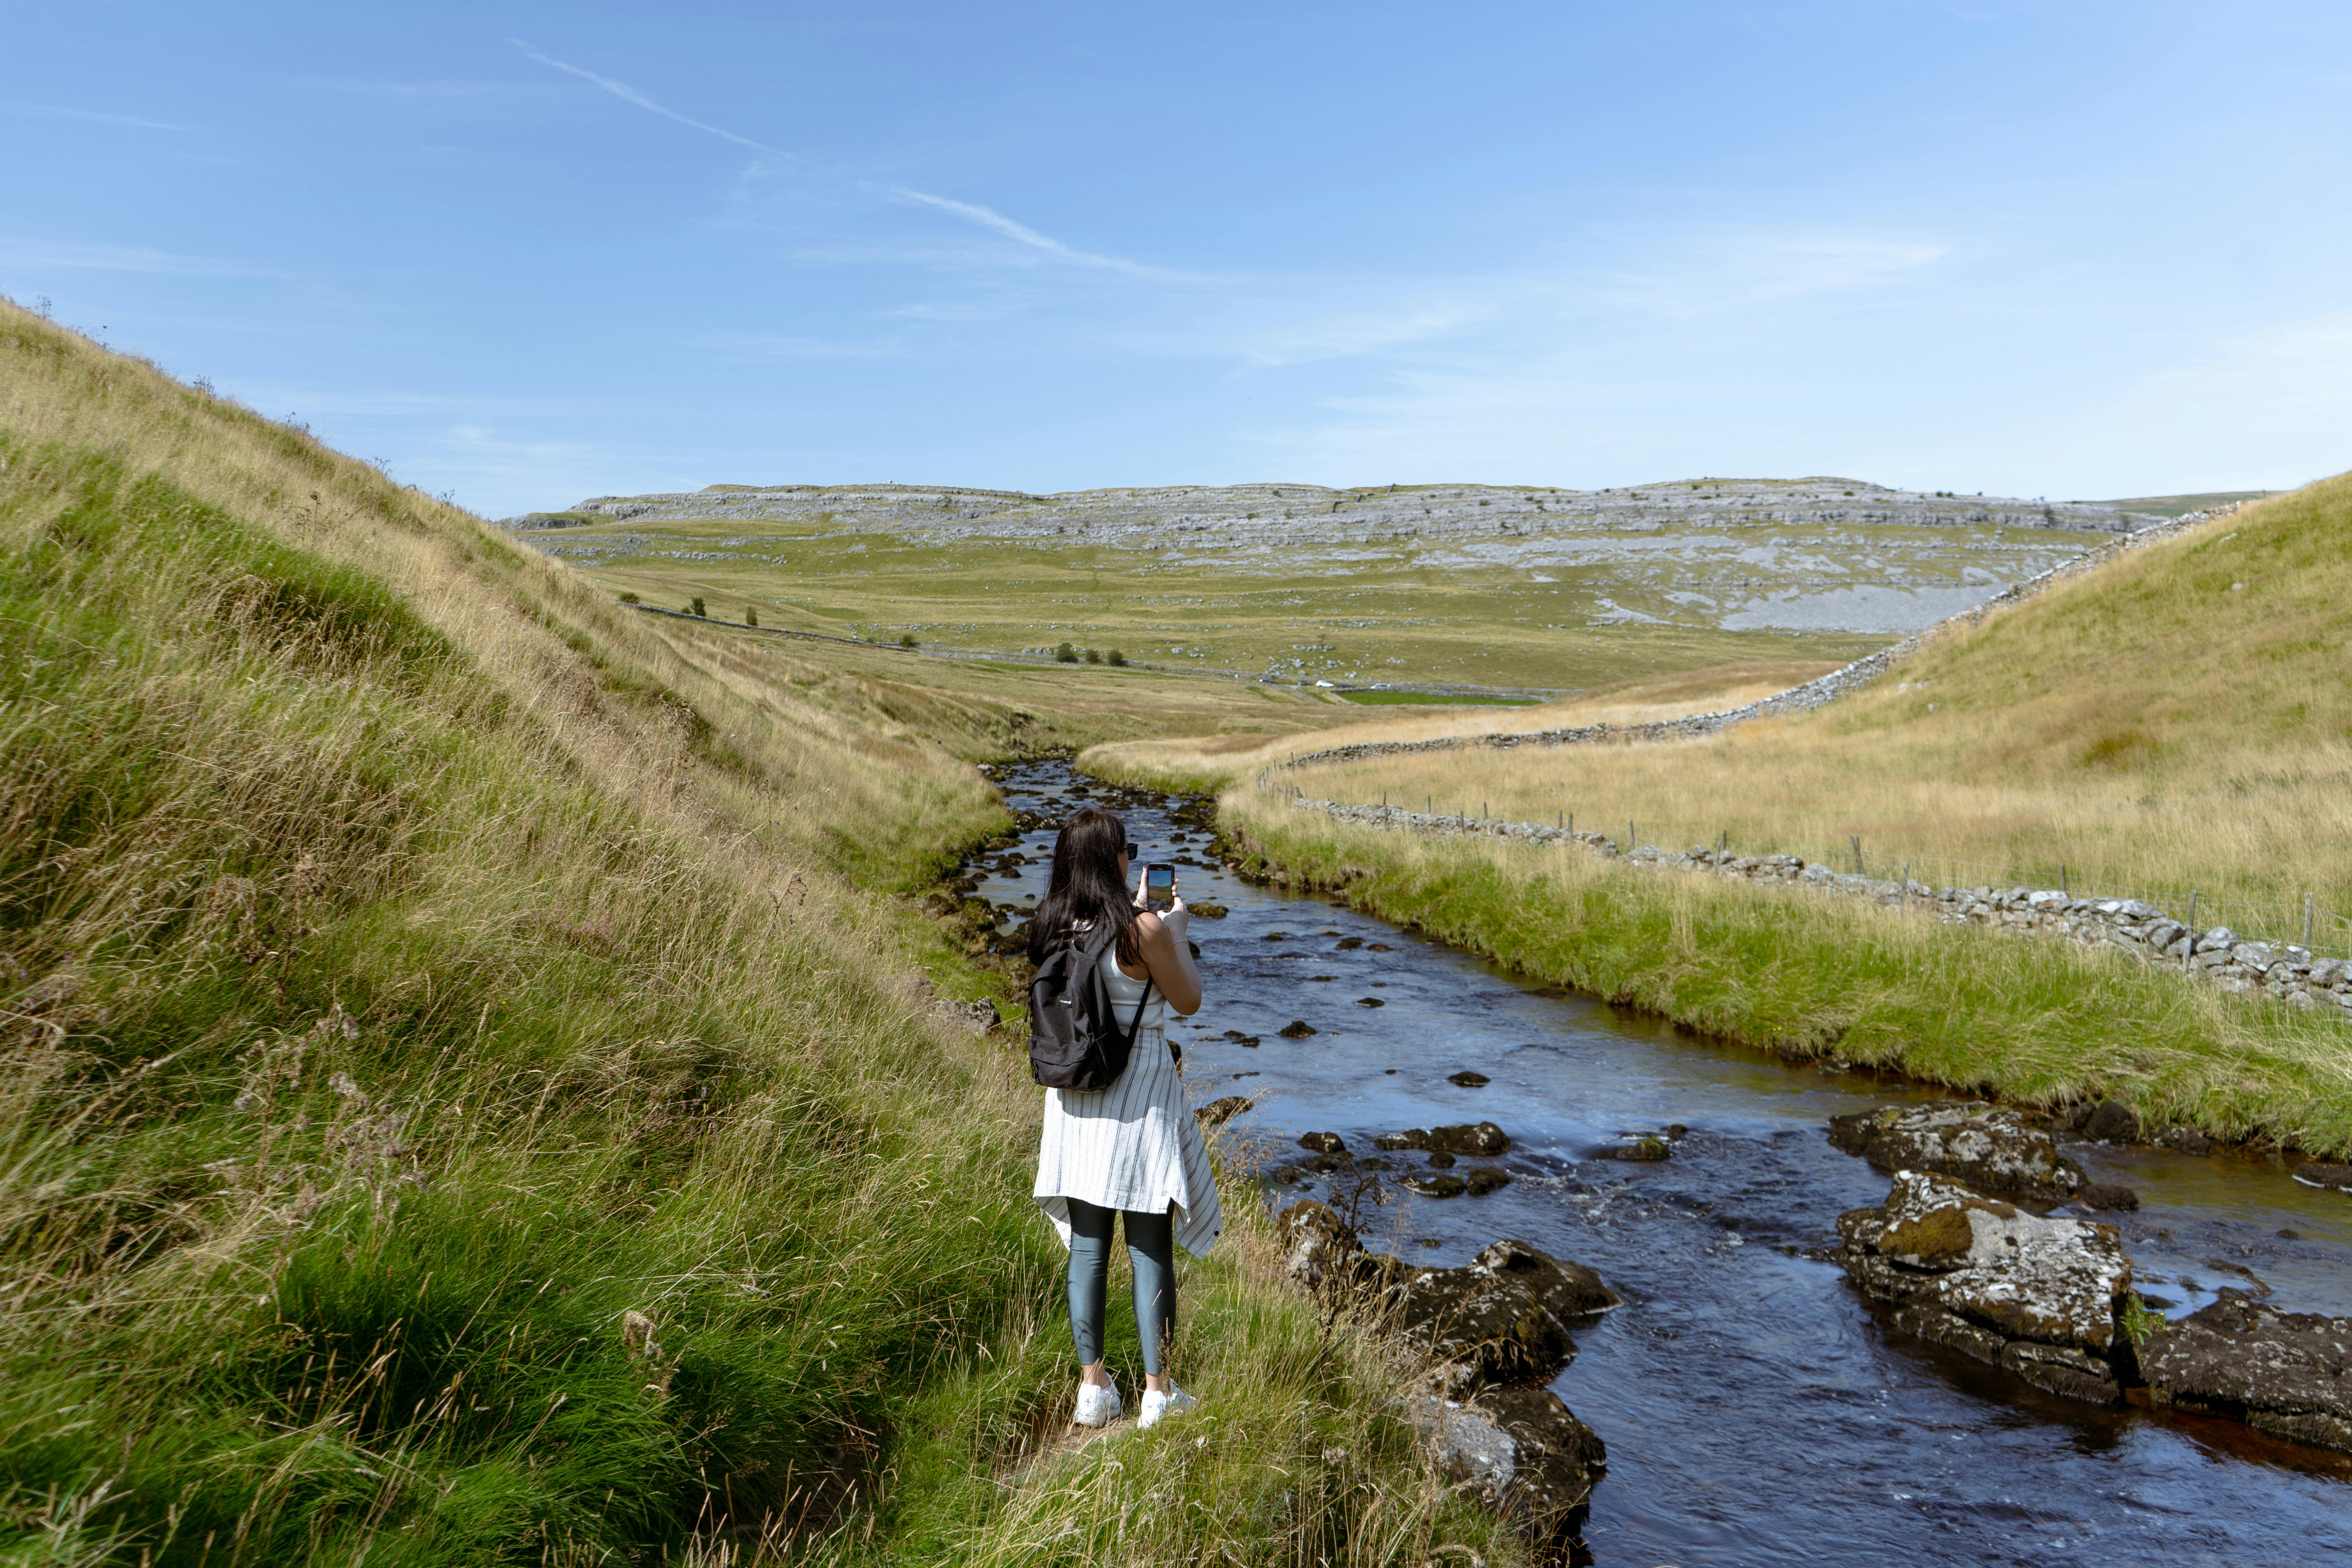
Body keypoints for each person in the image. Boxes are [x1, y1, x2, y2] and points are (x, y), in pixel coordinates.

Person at [1029, 806, 1220, 1429]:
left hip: (1075, 1092)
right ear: (1112, 859)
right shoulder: (1141, 930)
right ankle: (1157, 1393)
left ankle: (1093, 1387)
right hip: (1138, 1092)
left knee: (1087, 1246)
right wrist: (1176, 928)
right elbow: (1188, 1001)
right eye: (1124, 849)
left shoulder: (1052, 924)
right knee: (1149, 1247)